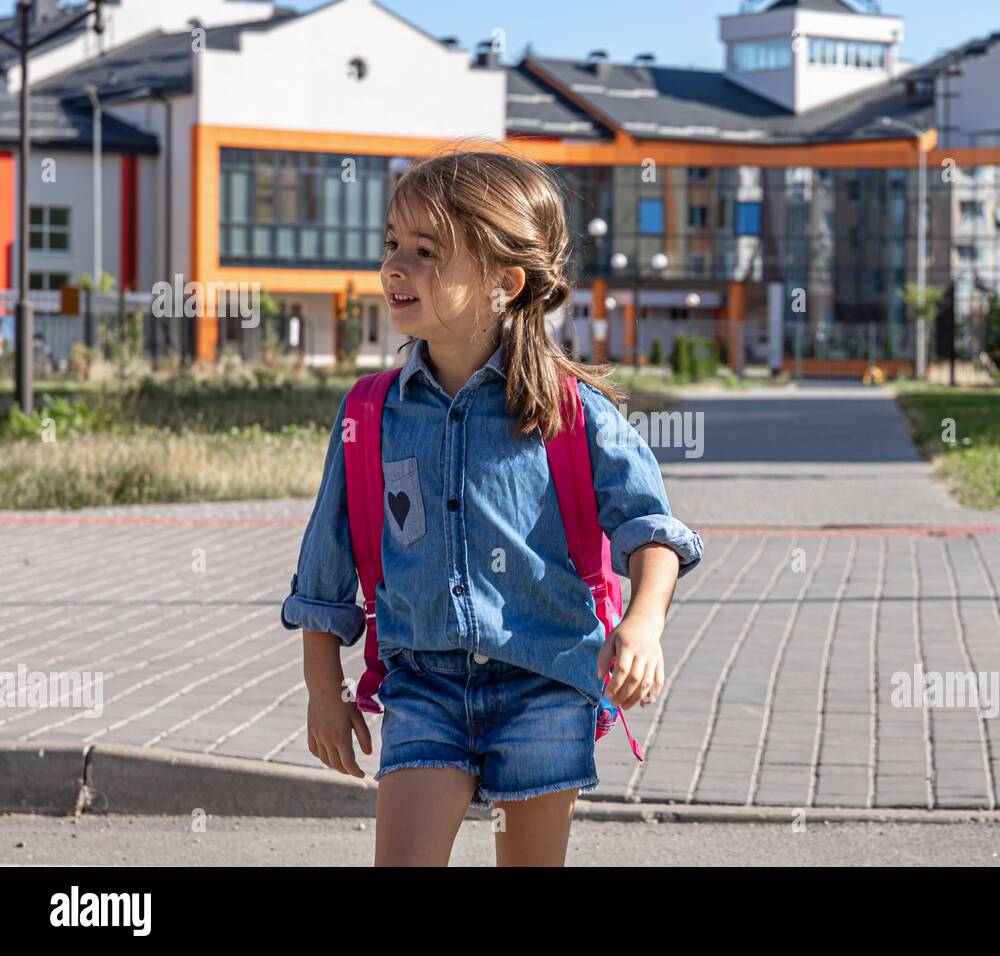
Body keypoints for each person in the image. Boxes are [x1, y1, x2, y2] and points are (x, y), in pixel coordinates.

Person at [279, 146, 703, 866]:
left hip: (546, 685)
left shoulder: (573, 410)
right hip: (423, 689)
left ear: (504, 282)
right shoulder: (370, 414)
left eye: (425, 252)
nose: (395, 267)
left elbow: (651, 530)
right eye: (392, 246)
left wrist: (643, 624)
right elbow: (326, 567)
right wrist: (326, 690)